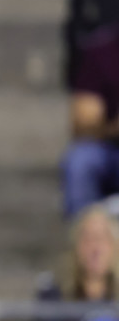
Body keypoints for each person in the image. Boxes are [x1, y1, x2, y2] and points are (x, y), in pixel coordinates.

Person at [62, 25, 119, 217]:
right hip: (109, 148)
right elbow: (84, 122)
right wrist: (113, 126)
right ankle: (85, 228)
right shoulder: (102, 52)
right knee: (80, 160)